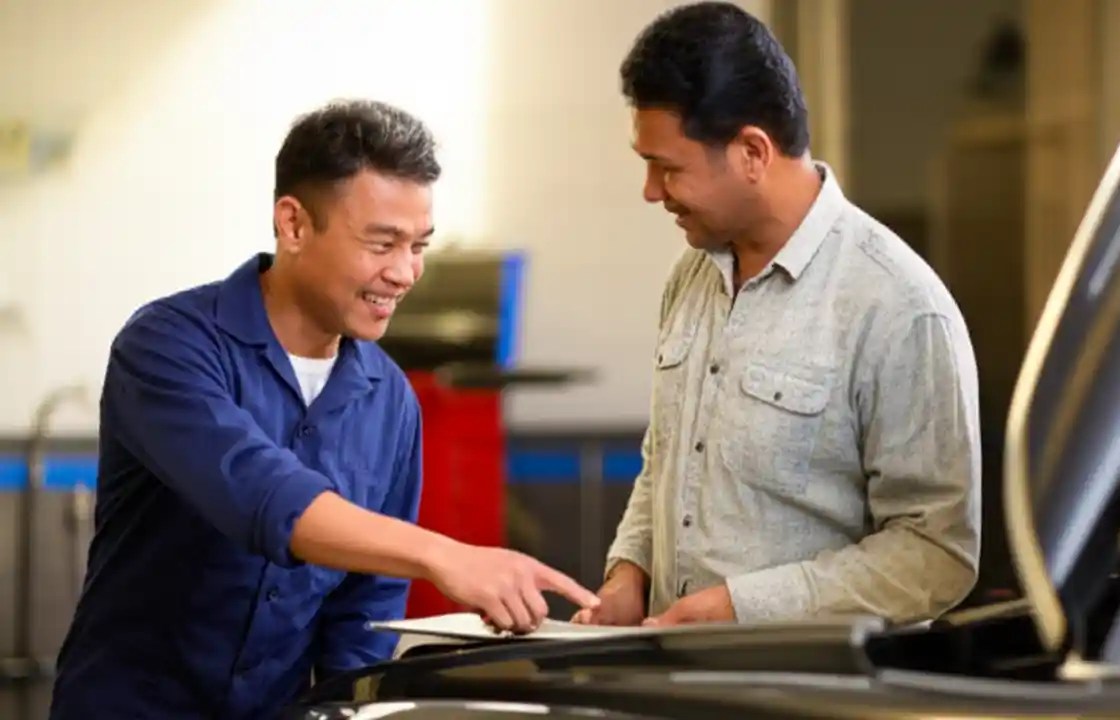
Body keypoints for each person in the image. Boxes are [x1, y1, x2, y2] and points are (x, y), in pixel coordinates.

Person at [50, 99, 598, 720]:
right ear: (293, 225)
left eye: (418, 245)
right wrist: (445, 554)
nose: (405, 272)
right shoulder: (169, 344)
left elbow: (363, 619)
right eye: (381, 243)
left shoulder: (390, 401)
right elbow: (261, 494)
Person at [573, 2, 981, 629]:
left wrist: (743, 609)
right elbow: (666, 463)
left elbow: (936, 553)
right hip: (668, 687)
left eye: (668, 167)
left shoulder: (900, 308)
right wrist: (630, 573)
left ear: (753, 152)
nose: (652, 191)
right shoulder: (692, 277)